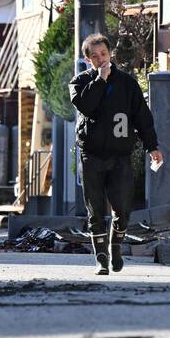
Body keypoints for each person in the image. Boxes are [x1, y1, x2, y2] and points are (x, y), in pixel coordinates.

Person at [69, 34, 162, 274]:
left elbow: (143, 117)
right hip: (91, 155)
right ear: (88, 59)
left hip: (121, 156)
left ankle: (116, 246)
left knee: (122, 208)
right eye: (95, 56)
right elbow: (86, 105)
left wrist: (153, 147)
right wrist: (100, 80)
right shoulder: (79, 83)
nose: (101, 59)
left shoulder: (128, 84)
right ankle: (101, 259)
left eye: (104, 54)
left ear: (110, 54)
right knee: (95, 209)